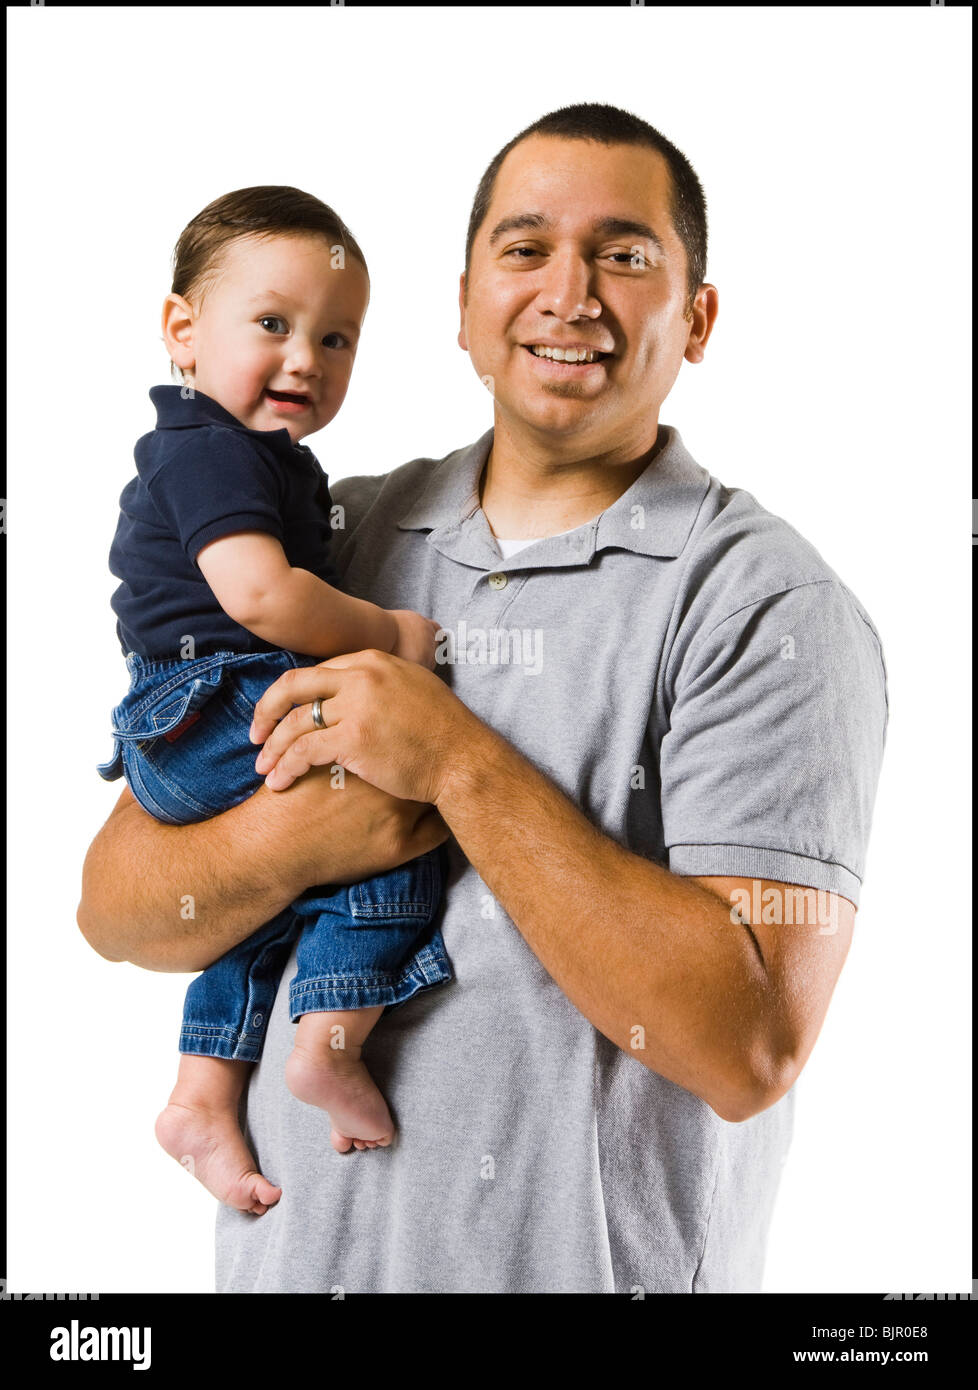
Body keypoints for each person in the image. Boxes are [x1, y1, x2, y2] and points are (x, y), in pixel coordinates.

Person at [78, 103, 889, 1293]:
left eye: (624, 254)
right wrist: (298, 835)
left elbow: (750, 1045)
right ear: (463, 305)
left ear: (698, 316)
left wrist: (455, 761)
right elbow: (114, 910)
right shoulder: (328, 539)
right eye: (525, 250)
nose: (570, 294)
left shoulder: (767, 605)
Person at [96, 187, 452, 1210]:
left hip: (190, 707)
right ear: (182, 331)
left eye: (337, 337)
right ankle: (330, 1037)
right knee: (399, 803)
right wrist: (387, 636)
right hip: (206, 698)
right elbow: (258, 594)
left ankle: (202, 1090)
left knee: (270, 889)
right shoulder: (205, 446)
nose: (306, 357)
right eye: (271, 324)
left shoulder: (271, 460)